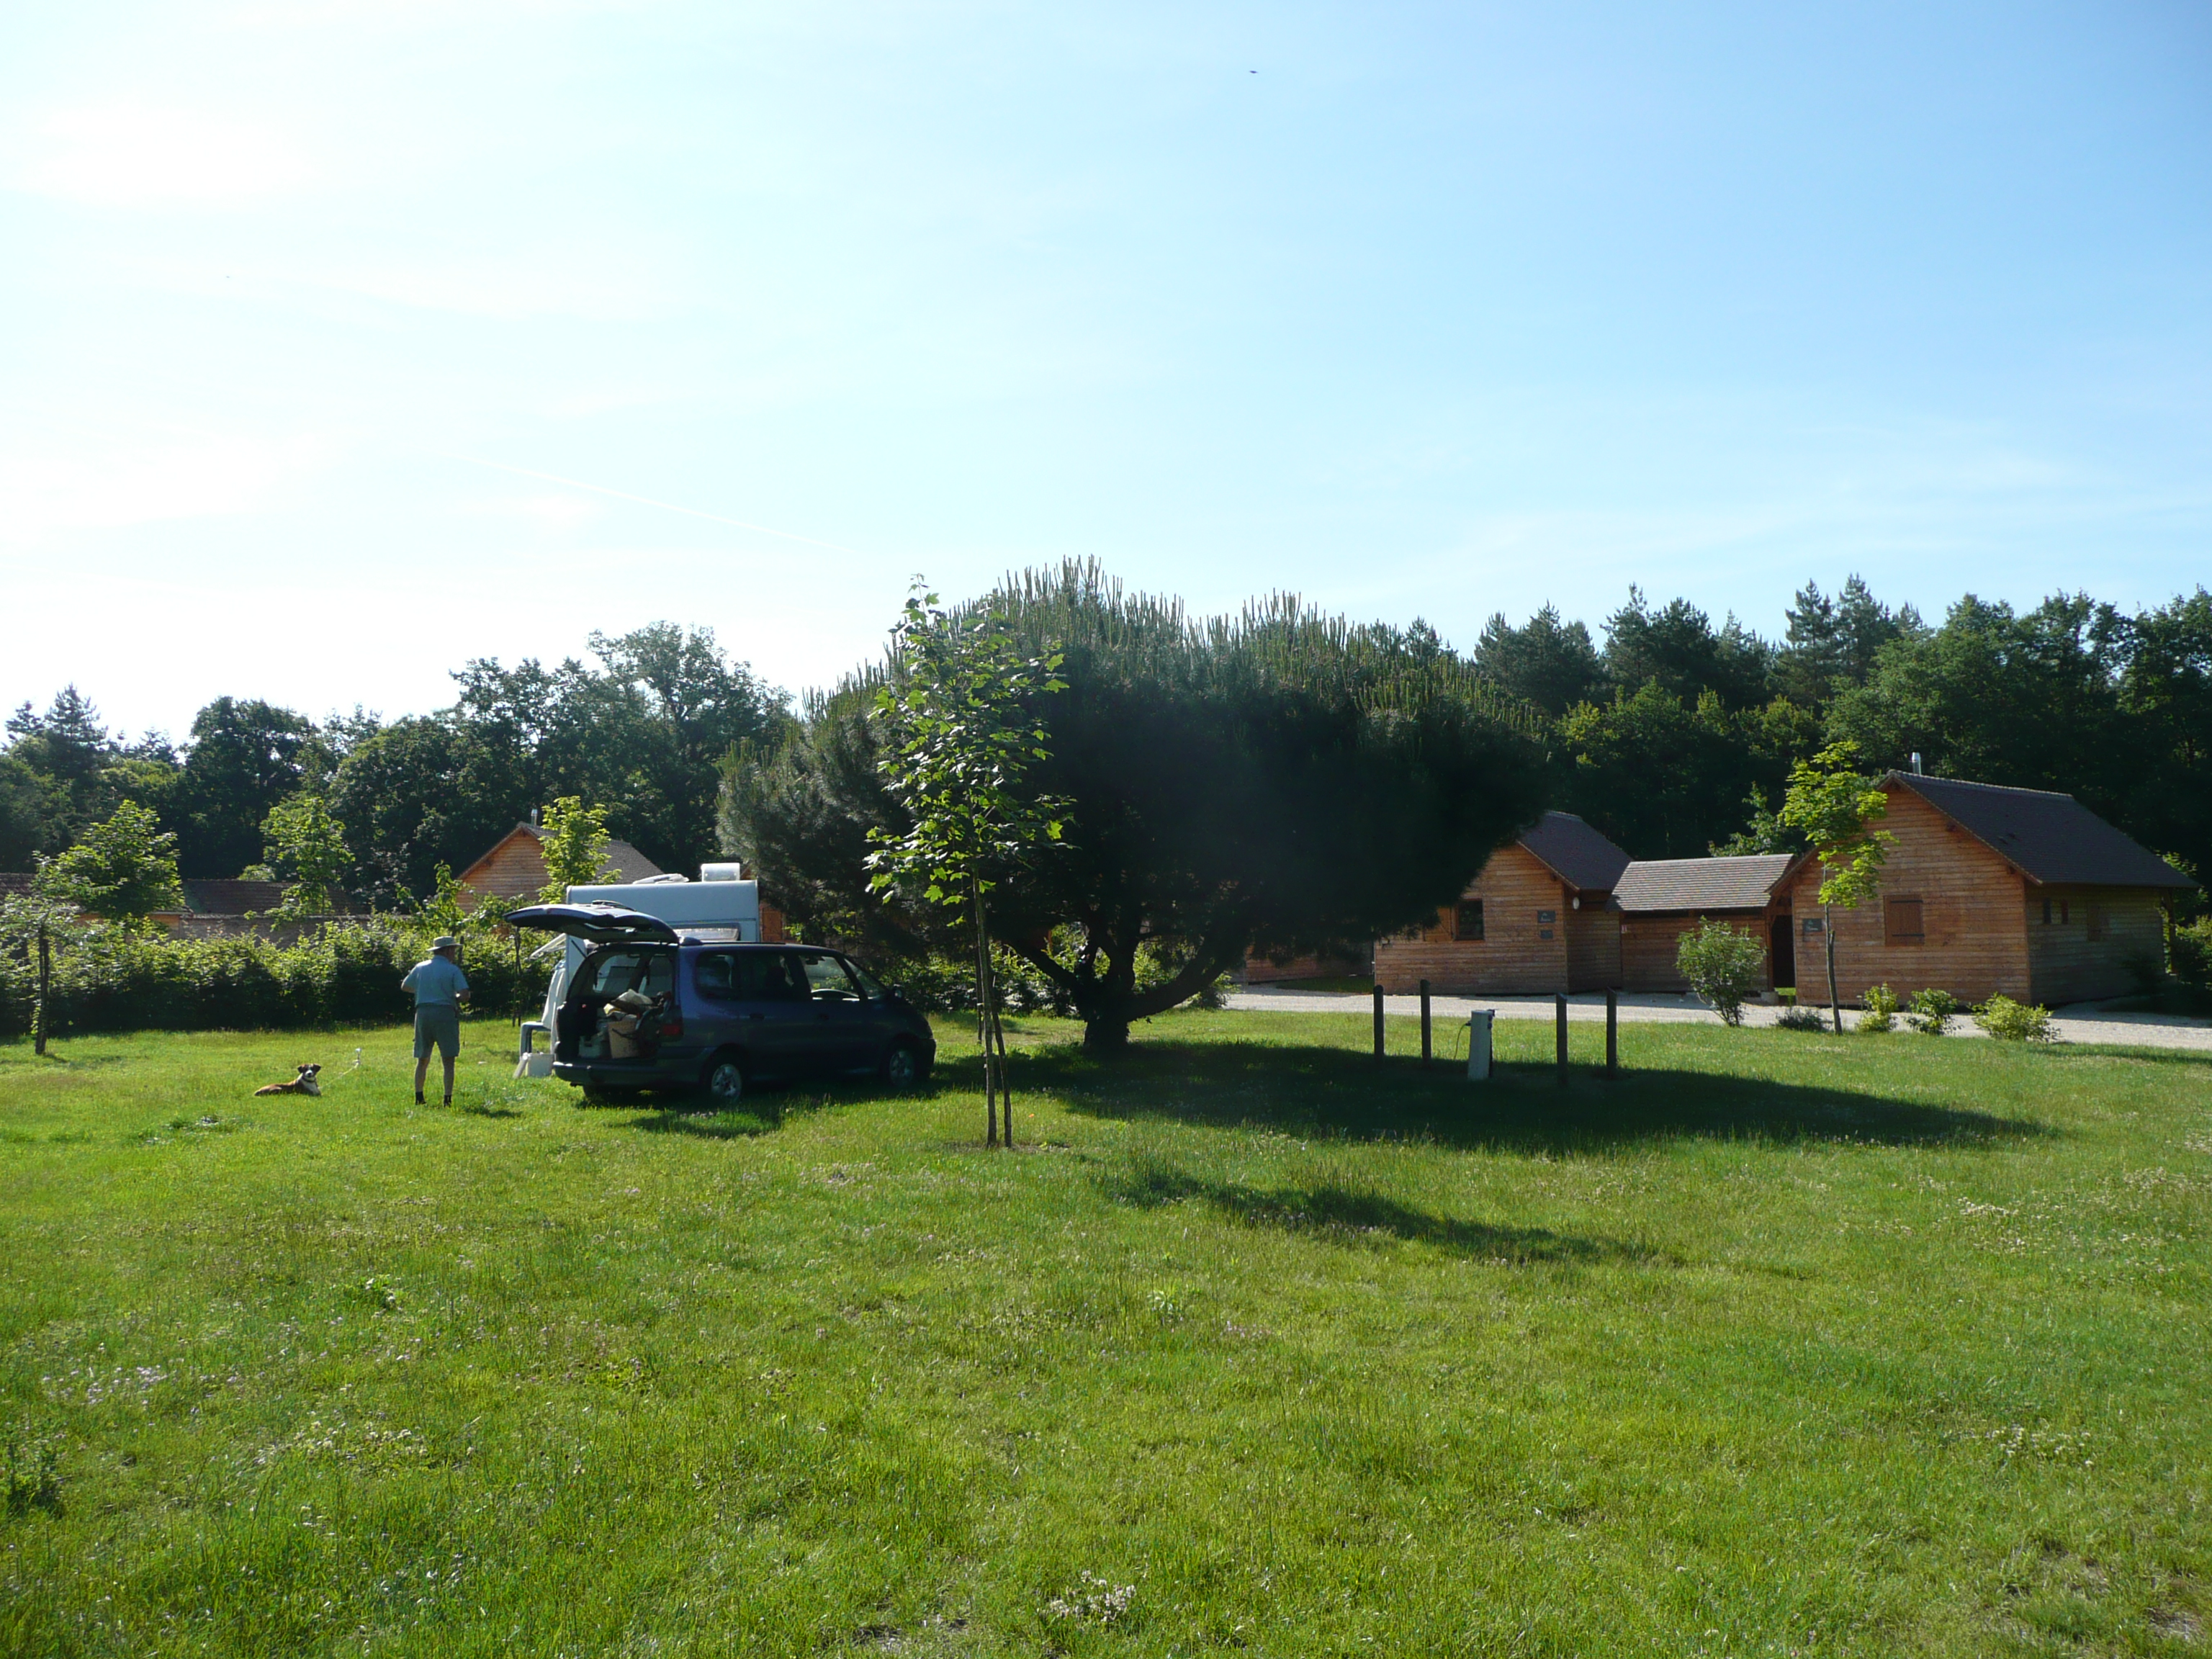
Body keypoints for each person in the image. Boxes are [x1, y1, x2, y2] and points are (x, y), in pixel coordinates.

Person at [402, 935, 471, 1105]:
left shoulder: (420, 967)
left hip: (423, 1013)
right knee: (448, 1059)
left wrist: (423, 992)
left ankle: (419, 1096)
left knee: (423, 1058)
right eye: (453, 950)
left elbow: (405, 986)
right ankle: (447, 1098)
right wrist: (454, 996)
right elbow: (465, 995)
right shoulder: (452, 970)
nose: (454, 953)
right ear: (447, 950)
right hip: (445, 1013)